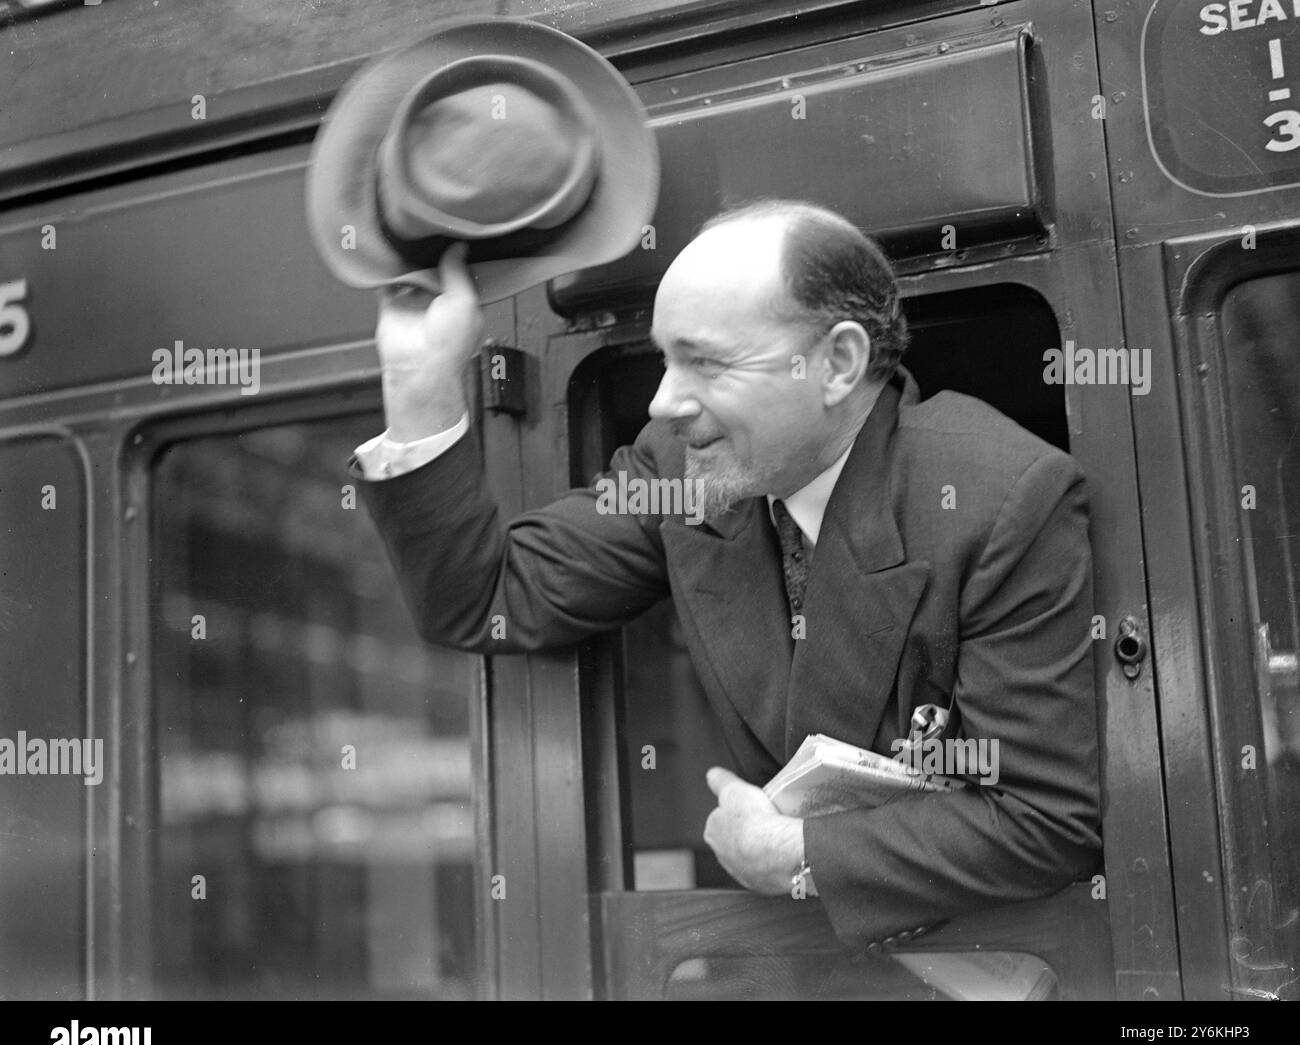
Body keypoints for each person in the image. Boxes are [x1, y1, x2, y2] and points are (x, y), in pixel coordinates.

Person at [351, 199, 1103, 949]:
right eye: (664, 358)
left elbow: (1043, 818)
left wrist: (793, 855)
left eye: (705, 362)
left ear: (837, 364)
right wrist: (418, 381)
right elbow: (488, 599)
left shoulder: (1003, 494)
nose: (662, 401)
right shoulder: (680, 468)